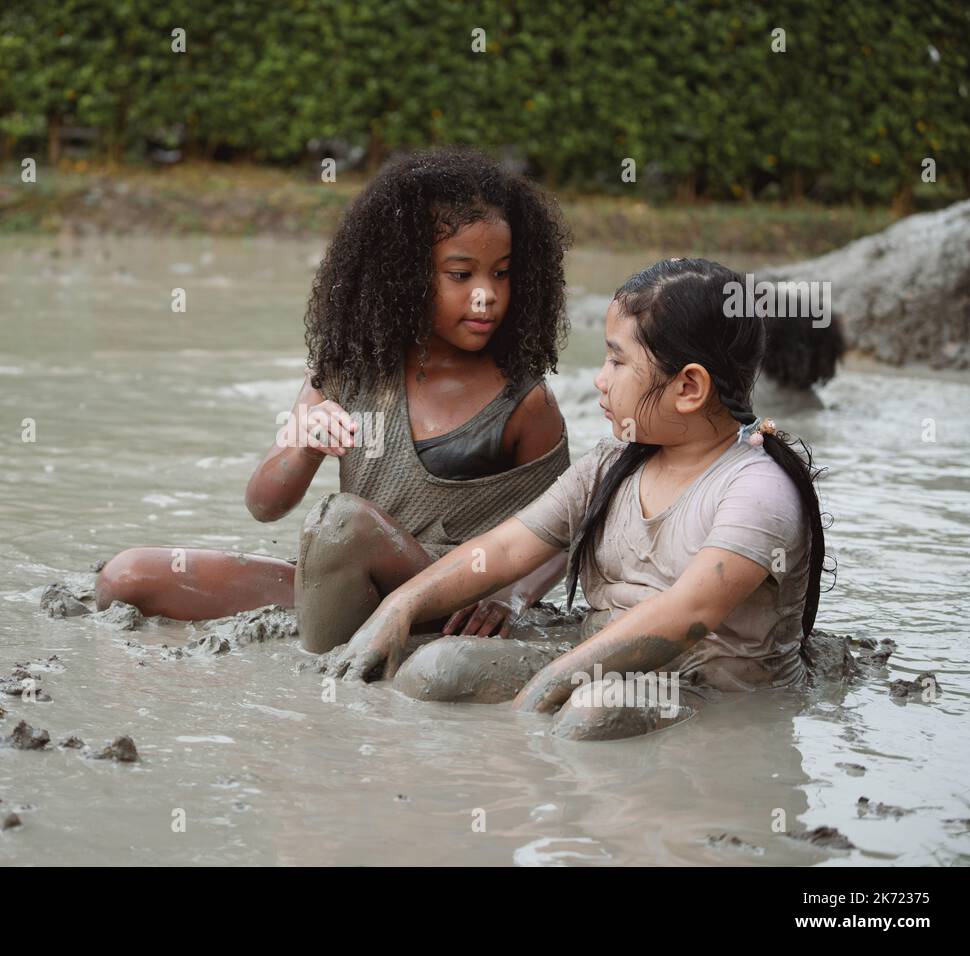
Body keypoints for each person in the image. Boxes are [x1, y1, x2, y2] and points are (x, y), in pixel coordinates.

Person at [331, 257, 835, 740]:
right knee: (437, 669)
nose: (600, 377)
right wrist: (400, 606)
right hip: (597, 666)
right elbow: (505, 550)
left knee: (592, 711)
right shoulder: (610, 463)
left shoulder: (757, 490)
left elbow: (688, 613)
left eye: (617, 359)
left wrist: (551, 682)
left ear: (688, 387)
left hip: (717, 699)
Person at [96, 146, 574, 652]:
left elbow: (569, 524)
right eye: (461, 275)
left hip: (448, 602)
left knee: (344, 520)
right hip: (343, 581)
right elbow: (264, 504)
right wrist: (304, 446)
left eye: (501, 273)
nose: (486, 296)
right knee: (126, 578)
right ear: (405, 276)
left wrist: (511, 598)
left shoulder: (523, 400)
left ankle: (337, 660)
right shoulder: (349, 369)